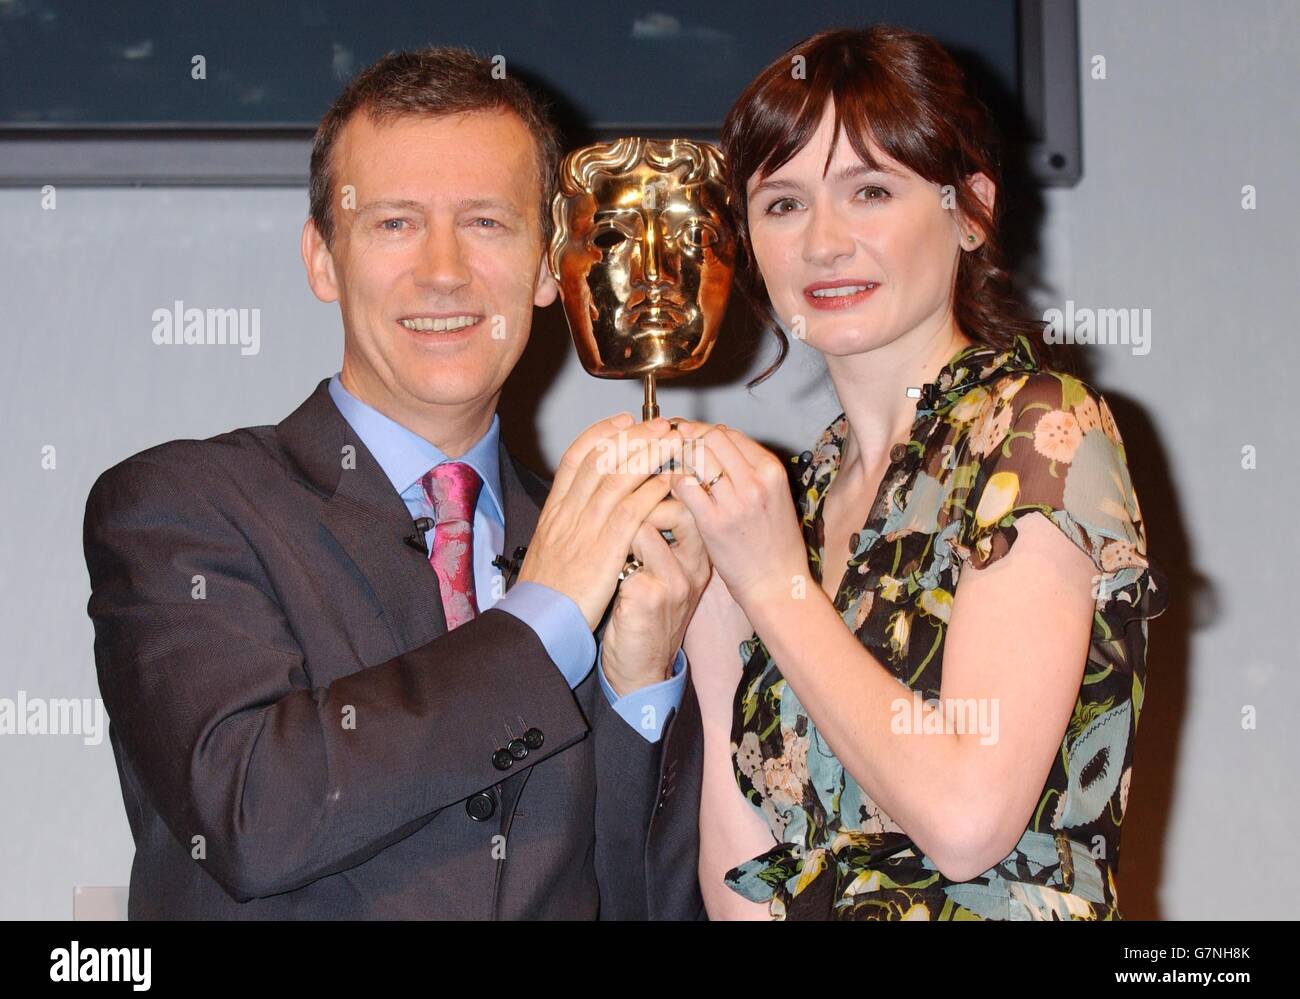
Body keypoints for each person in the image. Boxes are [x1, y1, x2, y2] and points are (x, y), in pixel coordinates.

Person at [82, 47, 708, 920]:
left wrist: (640, 690)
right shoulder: (180, 507)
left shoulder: (612, 548)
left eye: (487, 222)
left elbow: (645, 905)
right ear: (323, 259)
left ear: (545, 268)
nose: (443, 270)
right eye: (394, 223)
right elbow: (251, 813)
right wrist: (548, 618)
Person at [676, 25, 1169, 920]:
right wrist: (714, 628)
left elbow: (967, 817)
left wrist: (775, 584)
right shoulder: (805, 489)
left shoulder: (1038, 427)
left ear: (970, 209)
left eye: (869, 190)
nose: (824, 242)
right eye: (782, 203)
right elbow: (752, 875)